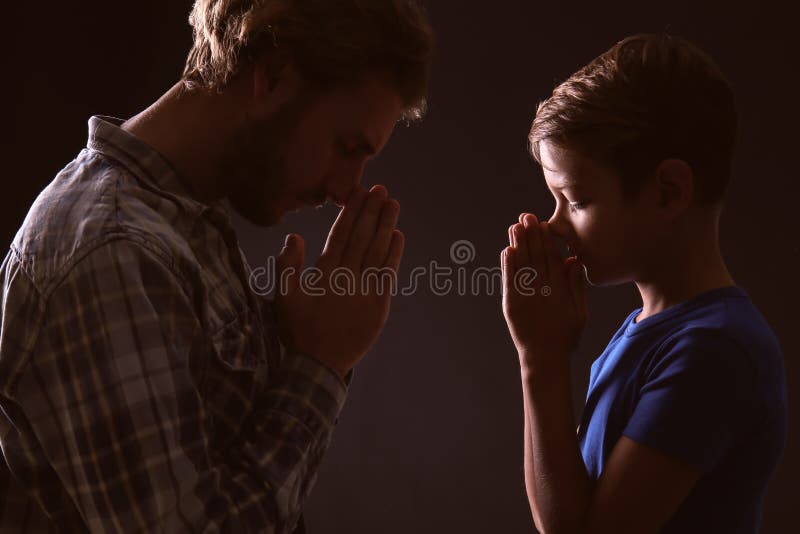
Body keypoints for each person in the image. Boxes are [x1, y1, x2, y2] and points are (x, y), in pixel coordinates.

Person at [0, 0, 433, 532]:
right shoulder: (113, 249)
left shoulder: (181, 222)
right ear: (273, 76)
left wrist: (292, 345)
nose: (347, 188)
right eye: (346, 147)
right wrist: (319, 365)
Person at [501, 34, 787, 533]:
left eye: (576, 200)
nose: (555, 225)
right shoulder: (647, 331)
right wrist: (538, 353)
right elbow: (565, 515)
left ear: (669, 191)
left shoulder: (714, 350)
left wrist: (541, 358)